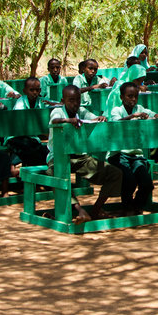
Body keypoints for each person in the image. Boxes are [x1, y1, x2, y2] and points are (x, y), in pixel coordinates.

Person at [108, 82, 158, 215]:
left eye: (135, 96)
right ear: (122, 97)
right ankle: (127, 207)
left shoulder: (140, 108)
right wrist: (133, 116)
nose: (133, 99)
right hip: (119, 154)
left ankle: (135, 206)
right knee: (129, 179)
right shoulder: (116, 110)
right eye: (130, 96)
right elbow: (117, 123)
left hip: (136, 155)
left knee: (147, 184)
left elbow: (156, 116)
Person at [47, 85, 120, 222]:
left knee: (115, 173)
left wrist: (100, 118)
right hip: (58, 157)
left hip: (80, 156)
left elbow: (93, 118)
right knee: (56, 174)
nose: (75, 104)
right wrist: (68, 121)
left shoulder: (81, 111)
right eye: (71, 100)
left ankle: (96, 210)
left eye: (78, 100)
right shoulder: (57, 111)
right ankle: (79, 210)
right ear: (63, 100)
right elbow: (55, 121)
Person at [5, 77, 54, 169]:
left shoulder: (41, 101)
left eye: (37, 90)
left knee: (43, 151)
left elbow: (53, 103)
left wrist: (55, 104)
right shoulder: (20, 104)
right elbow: (19, 126)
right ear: (25, 91)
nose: (35, 93)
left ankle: (33, 173)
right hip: (16, 137)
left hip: (32, 138)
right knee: (29, 148)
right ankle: (17, 168)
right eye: (31, 90)